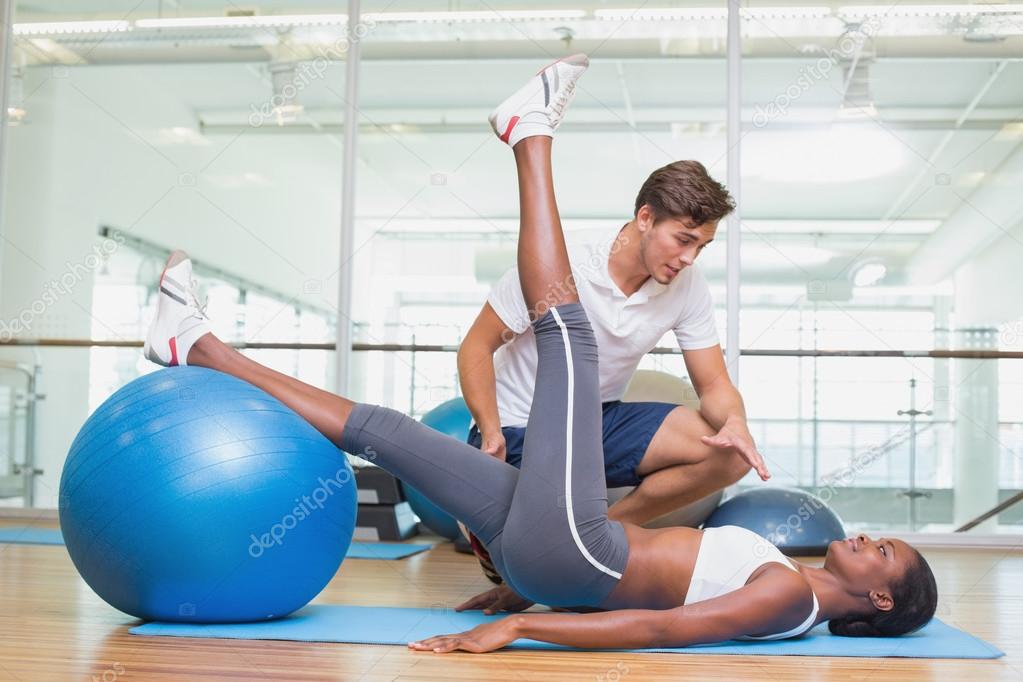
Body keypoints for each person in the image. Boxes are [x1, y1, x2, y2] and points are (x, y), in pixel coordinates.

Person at [142, 54, 937, 654]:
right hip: (557, 536)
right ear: (646, 219)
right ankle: (195, 344)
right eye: (882, 538)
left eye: (883, 553)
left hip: (576, 545)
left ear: (875, 602)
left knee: (570, 339)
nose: (869, 539)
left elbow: (662, 631)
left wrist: (525, 624)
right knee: (385, 430)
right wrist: (534, 588)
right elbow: (650, 599)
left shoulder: (787, 605)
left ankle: (530, 135)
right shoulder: (790, 584)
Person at [459, 75, 766, 534]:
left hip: (595, 421)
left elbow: (714, 382)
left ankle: (602, 533)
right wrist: (489, 430)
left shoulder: (688, 285)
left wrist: (736, 422)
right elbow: (475, 348)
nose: (688, 258)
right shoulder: (563, 263)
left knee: (728, 457)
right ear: (645, 217)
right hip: (522, 427)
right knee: (523, 558)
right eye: (683, 240)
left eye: (701, 246)